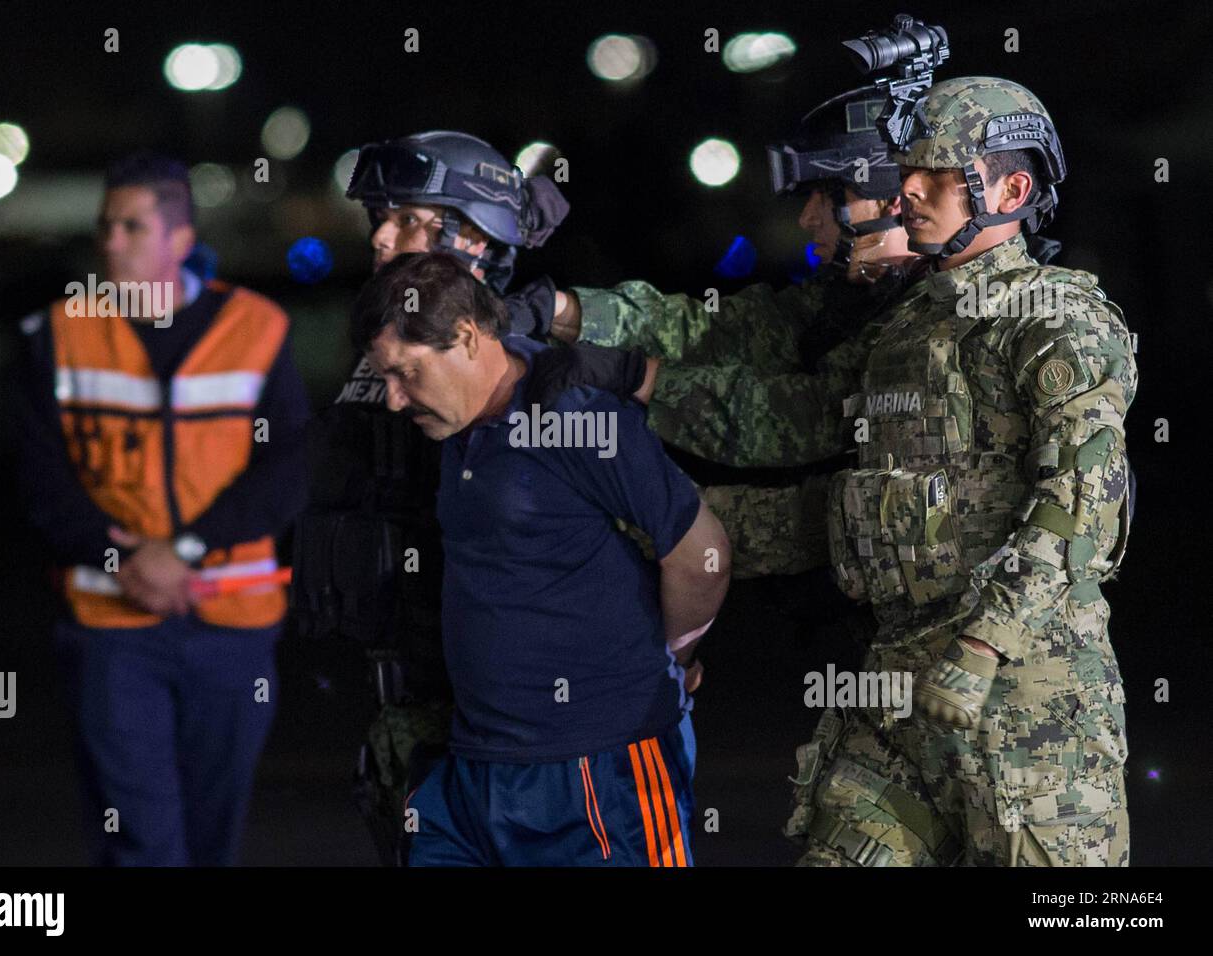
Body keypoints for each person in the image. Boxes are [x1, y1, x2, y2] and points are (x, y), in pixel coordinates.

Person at [787, 76, 1135, 866]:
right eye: (905, 169)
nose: (905, 189)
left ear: (1012, 188)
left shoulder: (1056, 316)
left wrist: (983, 647)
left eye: (936, 174)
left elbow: (1084, 500)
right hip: (896, 688)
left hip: (1029, 697)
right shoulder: (910, 322)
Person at [350, 252, 730, 866]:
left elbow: (701, 553)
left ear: (468, 338)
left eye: (406, 374)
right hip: (475, 773)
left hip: (598, 771)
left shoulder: (571, 415)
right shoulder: (455, 422)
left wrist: (672, 656)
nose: (394, 400)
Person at [14, 151, 310, 865]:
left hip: (234, 626)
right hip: (112, 626)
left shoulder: (257, 327)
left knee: (213, 838)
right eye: (105, 225)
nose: (110, 240)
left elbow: (290, 467)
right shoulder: (59, 332)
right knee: (142, 841)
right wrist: (123, 561)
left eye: (131, 226)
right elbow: (41, 480)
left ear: (180, 238)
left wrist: (179, 552)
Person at [291, 131, 568, 864]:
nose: (382, 235)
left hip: (502, 731)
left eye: (409, 219)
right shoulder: (380, 357)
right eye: (380, 216)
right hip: (405, 714)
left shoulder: (519, 375)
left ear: (475, 237)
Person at [545, 84, 923, 580]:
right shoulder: (848, 294)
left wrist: (638, 378)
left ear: (889, 200)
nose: (809, 219)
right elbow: (714, 332)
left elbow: (802, 419)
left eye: (827, 198)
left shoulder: (928, 313)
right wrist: (562, 310)